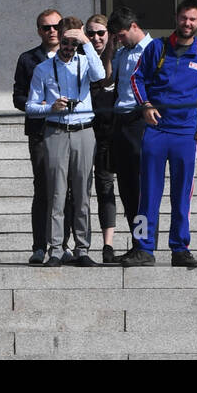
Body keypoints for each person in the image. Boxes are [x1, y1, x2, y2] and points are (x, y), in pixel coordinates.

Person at [123, 0, 197, 269]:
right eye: (184, 18)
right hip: (155, 131)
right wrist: (145, 105)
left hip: (185, 134)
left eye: (193, 19)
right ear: (176, 18)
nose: (187, 23)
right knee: (147, 195)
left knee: (182, 195)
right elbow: (137, 78)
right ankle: (142, 248)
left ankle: (180, 248)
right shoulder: (156, 47)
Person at [25, 16, 106, 267]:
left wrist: (86, 42)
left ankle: (82, 248)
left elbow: (100, 75)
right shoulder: (44, 68)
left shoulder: (85, 60)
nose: (70, 48)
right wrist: (52, 106)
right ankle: (56, 248)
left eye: (74, 42)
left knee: (82, 193)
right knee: (56, 193)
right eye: (66, 42)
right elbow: (30, 107)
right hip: (56, 131)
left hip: (84, 130)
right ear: (58, 39)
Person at [12, 8, 80, 265]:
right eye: (45, 27)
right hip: (42, 132)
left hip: (70, 130)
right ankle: (40, 245)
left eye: (55, 26)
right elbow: (18, 97)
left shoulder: (76, 54)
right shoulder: (28, 59)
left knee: (69, 190)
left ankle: (64, 244)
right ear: (38, 31)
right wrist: (39, 104)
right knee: (43, 189)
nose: (51, 31)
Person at [107, 6, 153, 258]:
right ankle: (138, 243)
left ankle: (144, 244)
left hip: (140, 120)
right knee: (126, 187)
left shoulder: (153, 49)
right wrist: (112, 49)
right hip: (120, 119)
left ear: (134, 26)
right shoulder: (123, 52)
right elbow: (106, 78)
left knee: (139, 186)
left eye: (122, 35)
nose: (119, 39)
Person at [85, 14, 119, 264]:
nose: (96, 38)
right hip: (84, 131)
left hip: (111, 134)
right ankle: (78, 244)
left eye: (101, 33)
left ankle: (108, 245)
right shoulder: (79, 58)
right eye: (91, 33)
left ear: (109, 34)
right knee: (78, 189)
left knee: (106, 187)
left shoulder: (119, 59)